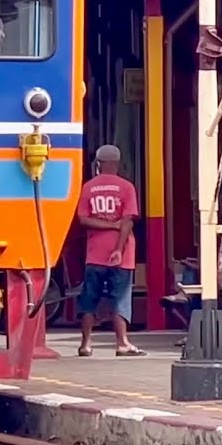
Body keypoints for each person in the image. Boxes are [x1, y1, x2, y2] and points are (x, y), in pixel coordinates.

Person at [75, 144, 146, 357]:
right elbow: (127, 222)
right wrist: (118, 248)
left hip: (94, 253)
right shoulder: (127, 187)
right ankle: (122, 343)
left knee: (89, 298)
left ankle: (86, 344)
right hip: (122, 256)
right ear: (117, 163)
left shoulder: (88, 187)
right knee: (120, 298)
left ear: (98, 163)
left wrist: (106, 225)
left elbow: (83, 219)